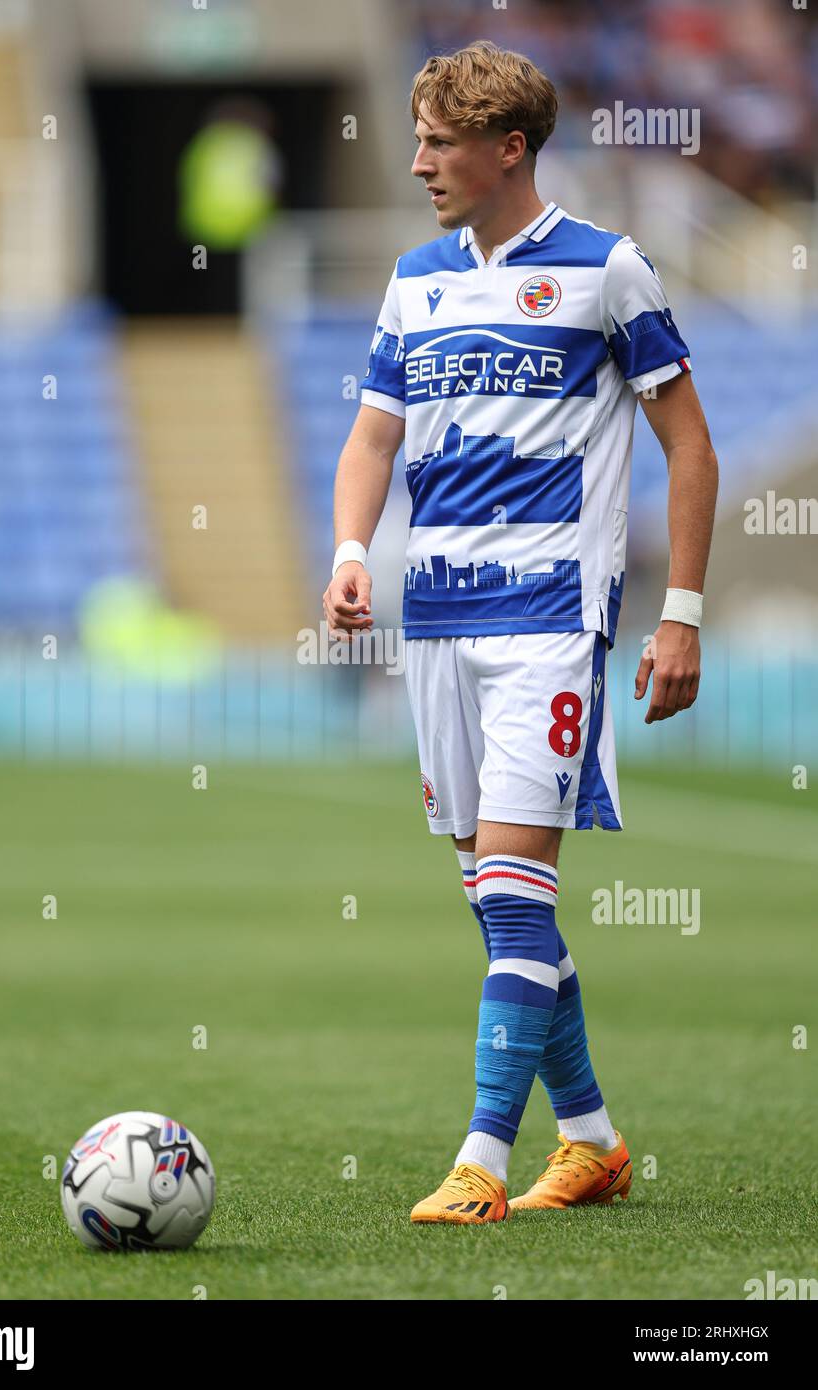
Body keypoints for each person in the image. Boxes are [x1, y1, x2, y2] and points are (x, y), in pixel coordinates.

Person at [322, 41, 717, 1223]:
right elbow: (370, 440)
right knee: (498, 901)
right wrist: (350, 555)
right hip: (433, 624)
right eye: (418, 139)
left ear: (508, 150)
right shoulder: (414, 283)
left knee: (508, 893)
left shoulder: (607, 273)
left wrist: (680, 614)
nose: (418, 162)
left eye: (440, 143)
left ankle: (482, 1160)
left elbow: (688, 447)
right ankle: (590, 1139)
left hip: (549, 619)